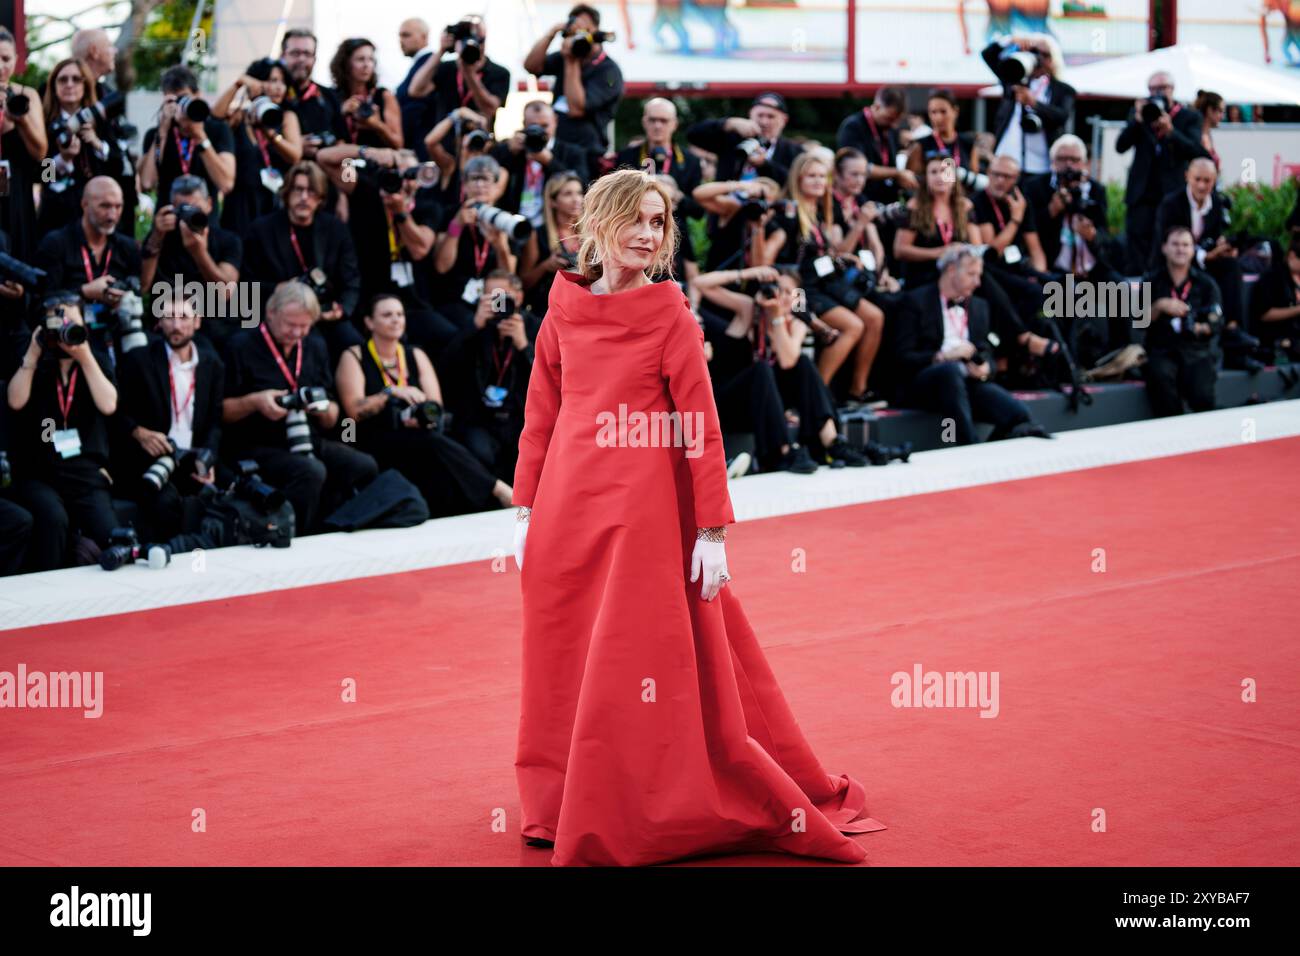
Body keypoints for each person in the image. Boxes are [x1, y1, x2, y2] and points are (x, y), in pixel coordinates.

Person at [511, 167, 885, 866]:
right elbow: (542, 413)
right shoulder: (562, 308)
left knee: (632, 658)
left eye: (659, 223)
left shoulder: (671, 316)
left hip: (644, 513)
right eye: (637, 219)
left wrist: (711, 528)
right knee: (562, 653)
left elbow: (701, 426)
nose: (649, 235)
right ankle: (559, 797)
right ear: (600, 222)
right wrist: (526, 504)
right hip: (566, 506)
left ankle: (634, 801)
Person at [336, 292, 513, 516]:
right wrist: (390, 393)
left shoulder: (415, 354)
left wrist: (420, 416)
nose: (395, 319)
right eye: (387, 315)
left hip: (415, 433)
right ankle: (496, 489)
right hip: (373, 436)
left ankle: (474, 507)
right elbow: (353, 411)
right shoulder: (354, 355)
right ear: (369, 322)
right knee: (434, 443)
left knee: (440, 441)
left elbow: (435, 406)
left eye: (400, 314)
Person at [221, 281, 377, 534]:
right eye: (290, 325)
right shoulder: (240, 345)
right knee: (311, 471)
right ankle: (288, 533)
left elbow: (334, 414)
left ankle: (336, 528)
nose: (296, 333)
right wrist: (255, 401)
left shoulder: (314, 345)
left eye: (304, 326)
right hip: (259, 442)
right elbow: (220, 411)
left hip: (307, 437)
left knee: (363, 465)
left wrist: (325, 410)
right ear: (271, 313)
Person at [692, 264, 873, 469]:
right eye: (779, 289)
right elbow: (698, 284)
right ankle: (782, 451)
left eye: (790, 292)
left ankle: (831, 442)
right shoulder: (749, 309)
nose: (783, 297)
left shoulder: (796, 323)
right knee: (761, 369)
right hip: (728, 403)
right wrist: (749, 273)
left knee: (803, 364)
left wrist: (777, 317)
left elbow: (788, 361)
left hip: (764, 410)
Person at [5, 297, 119, 570]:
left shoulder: (96, 361)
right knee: (54, 518)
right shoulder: (36, 364)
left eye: (73, 323)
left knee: (111, 534)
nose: (65, 331)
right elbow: (15, 401)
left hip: (84, 472)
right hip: (41, 471)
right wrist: (34, 351)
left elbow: (108, 404)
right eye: (59, 324)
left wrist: (85, 355)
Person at [894, 244, 1048, 444]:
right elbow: (901, 357)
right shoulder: (916, 301)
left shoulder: (979, 306)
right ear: (951, 270)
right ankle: (970, 446)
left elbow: (987, 352)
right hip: (926, 381)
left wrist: (985, 368)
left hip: (968, 382)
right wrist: (940, 357)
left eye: (979, 275)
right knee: (949, 372)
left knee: (1020, 416)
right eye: (971, 274)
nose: (977, 282)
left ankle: (996, 456)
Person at [111, 293, 224, 543]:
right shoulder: (138, 360)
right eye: (169, 317)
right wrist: (138, 432)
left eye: (183, 317)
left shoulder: (211, 363)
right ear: (159, 321)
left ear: (197, 321)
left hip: (191, 460)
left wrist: (209, 459)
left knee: (224, 499)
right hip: (151, 458)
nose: (176, 325)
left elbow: (215, 422)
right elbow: (114, 411)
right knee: (165, 502)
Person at [241, 161, 362, 362]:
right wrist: (279, 288)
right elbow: (245, 285)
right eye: (298, 190)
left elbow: (351, 280)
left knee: (353, 345)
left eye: (311, 191)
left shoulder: (335, 229)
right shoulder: (261, 230)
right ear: (287, 193)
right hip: (279, 313)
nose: (304, 198)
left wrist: (340, 310)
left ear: (321, 197)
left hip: (324, 314)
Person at [436, 271, 539, 483]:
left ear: (518, 297)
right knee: (480, 452)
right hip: (479, 416)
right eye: (490, 296)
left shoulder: (535, 327)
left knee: (526, 454)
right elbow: (445, 368)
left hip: (520, 416)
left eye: (502, 295)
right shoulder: (474, 323)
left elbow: (552, 379)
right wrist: (473, 327)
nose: (497, 302)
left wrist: (523, 346)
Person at [33, 176, 142, 357]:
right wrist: (83, 293)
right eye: (105, 206)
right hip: (68, 341)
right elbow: (40, 302)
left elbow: (140, 289)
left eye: (118, 206)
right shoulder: (56, 243)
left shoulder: (127, 247)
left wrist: (123, 296)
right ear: (85, 204)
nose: (112, 215)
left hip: (116, 338)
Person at [1116, 71, 1208, 274]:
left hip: (1171, 192)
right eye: (1153, 89)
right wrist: (1138, 121)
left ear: (1172, 90)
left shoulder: (1188, 116)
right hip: (1141, 192)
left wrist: (1171, 132)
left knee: (1168, 242)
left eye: (1162, 88)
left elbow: (1196, 151)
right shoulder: (1141, 114)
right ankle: (1138, 295)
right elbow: (1120, 146)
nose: (1157, 93)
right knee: (1137, 244)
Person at [140, 175, 243, 354]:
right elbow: (142, 286)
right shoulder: (160, 239)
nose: (190, 215)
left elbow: (225, 292)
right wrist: (156, 235)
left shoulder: (228, 240)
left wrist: (199, 252)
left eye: (195, 208)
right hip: (170, 327)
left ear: (210, 204)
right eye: (183, 209)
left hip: (215, 328)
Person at [523, 4, 624, 171]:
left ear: (596, 31)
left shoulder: (609, 71)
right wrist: (552, 33)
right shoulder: (566, 56)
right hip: (558, 145)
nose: (580, 36)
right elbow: (532, 67)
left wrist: (572, 60)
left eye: (585, 30)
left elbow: (576, 108)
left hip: (587, 151)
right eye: (576, 31)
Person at [210, 57, 303, 239]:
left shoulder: (286, 117)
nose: (278, 87)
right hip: (240, 202)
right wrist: (238, 83)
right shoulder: (240, 116)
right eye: (271, 80)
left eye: (282, 82)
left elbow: (295, 156)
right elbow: (215, 117)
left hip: (273, 200)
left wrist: (271, 135)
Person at [1141, 226, 1223, 417]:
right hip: (1162, 350)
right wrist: (1159, 306)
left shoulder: (1205, 283)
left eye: (1186, 245)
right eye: (1175, 244)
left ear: (1193, 249)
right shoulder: (1151, 281)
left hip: (1196, 351)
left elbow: (1216, 322)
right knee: (1160, 379)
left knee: (1202, 396)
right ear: (1164, 248)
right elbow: (1139, 321)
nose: (1180, 249)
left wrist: (1198, 327)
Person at [139, 67, 237, 217]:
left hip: (205, 224)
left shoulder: (217, 130)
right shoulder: (156, 135)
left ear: (197, 95)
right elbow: (147, 182)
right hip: (167, 223)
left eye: (184, 98)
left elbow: (226, 183)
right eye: (173, 100)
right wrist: (162, 133)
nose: (180, 106)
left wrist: (199, 135)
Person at [38, 58, 120, 236]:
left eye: (76, 79)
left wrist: (96, 143)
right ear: (54, 85)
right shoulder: (43, 123)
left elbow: (118, 166)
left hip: (98, 215)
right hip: (57, 216)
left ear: (86, 85)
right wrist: (62, 160)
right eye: (63, 79)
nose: (69, 84)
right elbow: (42, 177)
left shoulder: (101, 121)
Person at [407, 16, 511, 150]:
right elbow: (415, 90)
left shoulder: (499, 73)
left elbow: (489, 109)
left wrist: (468, 73)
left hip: (480, 146)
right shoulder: (447, 68)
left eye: (479, 38)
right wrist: (441, 51)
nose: (474, 42)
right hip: (445, 146)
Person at [69, 27, 137, 229]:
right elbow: (45, 157)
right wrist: (54, 182)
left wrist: (102, 146)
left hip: (118, 201)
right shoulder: (53, 99)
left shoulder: (108, 95)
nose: (114, 51)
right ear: (94, 51)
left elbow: (118, 147)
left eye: (75, 80)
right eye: (109, 45)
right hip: (74, 209)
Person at [981, 33, 1075, 175]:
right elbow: (988, 55)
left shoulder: (1063, 89)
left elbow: (1061, 116)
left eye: (1045, 54)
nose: (1039, 59)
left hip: (1041, 163)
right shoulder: (1013, 78)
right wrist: (1010, 41)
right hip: (1007, 157)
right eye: (1034, 52)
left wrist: (1034, 103)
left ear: (1053, 59)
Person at [489, 100, 589, 226]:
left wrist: (550, 162)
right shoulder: (513, 149)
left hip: (552, 227)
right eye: (533, 126)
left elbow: (582, 185)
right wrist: (509, 152)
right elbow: (491, 175)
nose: (539, 131)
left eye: (544, 126)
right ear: (524, 124)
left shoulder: (572, 152)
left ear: (555, 121)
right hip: (513, 222)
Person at [0, 26, 48, 260]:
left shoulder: (27, 94)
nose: (0, 66)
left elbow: (41, 153)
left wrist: (20, 119)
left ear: (16, 60)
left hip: (17, 191)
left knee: (18, 261)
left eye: (6, 59)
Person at [686, 91, 801, 186]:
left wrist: (764, 165)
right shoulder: (732, 139)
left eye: (771, 116)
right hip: (726, 209)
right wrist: (727, 123)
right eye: (760, 115)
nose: (764, 122)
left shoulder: (793, 151)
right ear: (750, 114)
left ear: (784, 120)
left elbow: (795, 182)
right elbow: (693, 134)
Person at [835, 86, 916, 204]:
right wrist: (897, 173)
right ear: (877, 107)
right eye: (889, 118)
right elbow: (860, 168)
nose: (893, 125)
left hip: (886, 200)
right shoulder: (853, 127)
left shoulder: (888, 129)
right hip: (860, 200)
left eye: (897, 120)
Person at [518, 171, 584, 314]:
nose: (576, 199)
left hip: (583, 306)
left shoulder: (590, 232)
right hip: (549, 309)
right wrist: (545, 266)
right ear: (553, 201)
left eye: (579, 193)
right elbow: (523, 283)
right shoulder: (538, 234)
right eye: (568, 194)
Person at [279, 28, 345, 156]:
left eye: (307, 54)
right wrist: (294, 145)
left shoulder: (329, 96)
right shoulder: (271, 97)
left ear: (314, 59)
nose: (301, 59)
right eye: (295, 53)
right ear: (282, 56)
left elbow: (342, 141)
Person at [330, 37, 402, 150]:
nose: (366, 65)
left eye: (371, 59)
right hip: (345, 162)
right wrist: (341, 113)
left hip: (379, 161)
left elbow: (398, 144)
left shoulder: (383, 96)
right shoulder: (331, 97)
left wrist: (376, 124)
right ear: (345, 63)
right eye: (360, 59)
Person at [393, 18, 437, 157]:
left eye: (406, 35)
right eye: (400, 35)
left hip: (422, 150)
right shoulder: (419, 65)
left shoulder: (431, 66)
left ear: (424, 37)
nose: (401, 40)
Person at [1194, 91, 1224, 169]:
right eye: (1220, 111)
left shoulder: (1207, 135)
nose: (1222, 116)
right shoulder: (1198, 136)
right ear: (1210, 110)